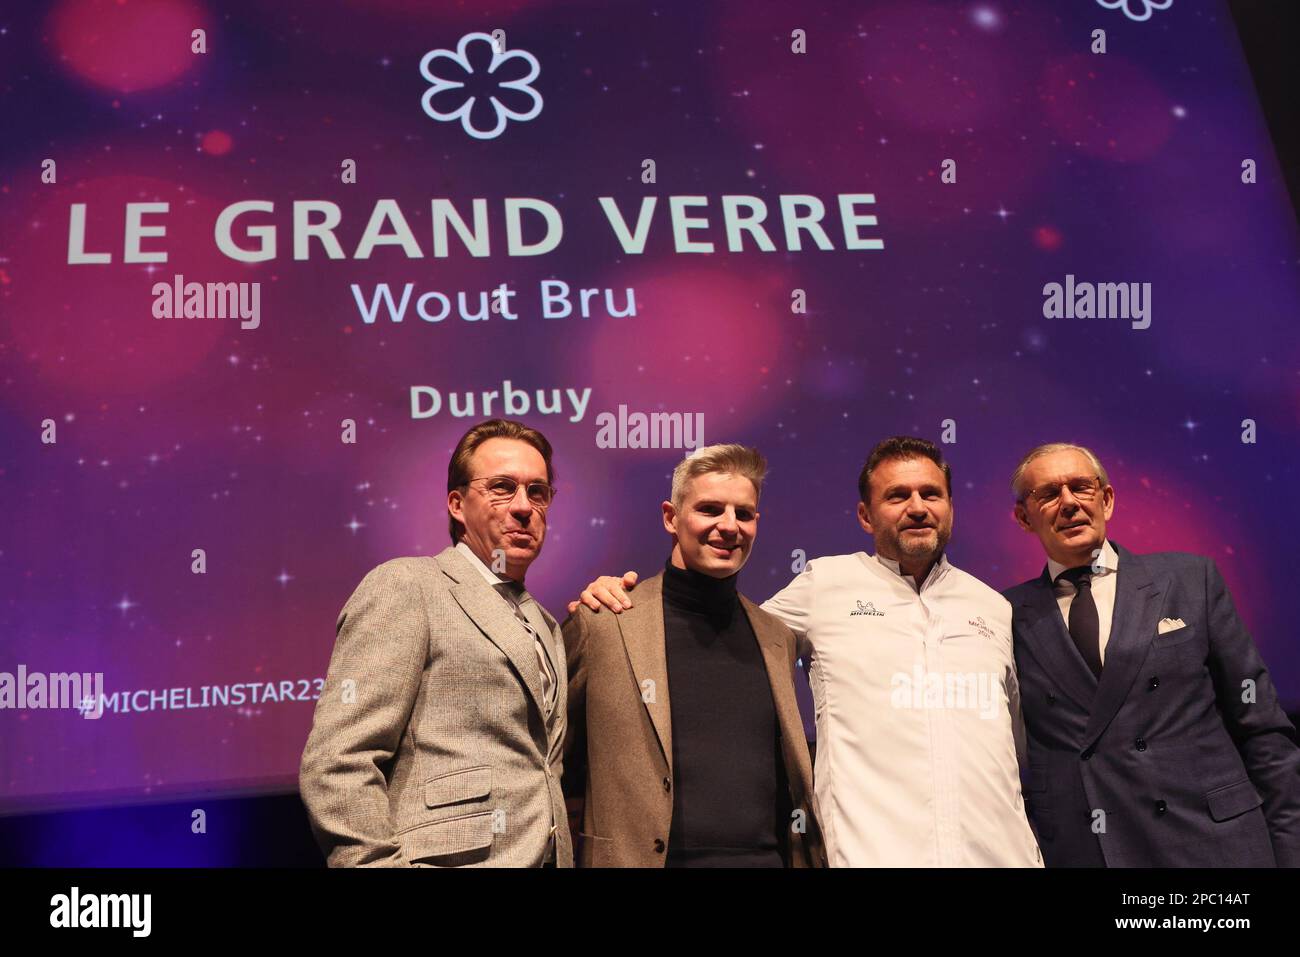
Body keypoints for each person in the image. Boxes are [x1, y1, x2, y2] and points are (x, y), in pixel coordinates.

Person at [573, 437, 1041, 867]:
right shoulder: (823, 587)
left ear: (951, 507)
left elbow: (1016, 746)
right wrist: (612, 596)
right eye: (897, 496)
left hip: (998, 855)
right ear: (865, 516)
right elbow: (719, 622)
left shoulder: (993, 608)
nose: (917, 508)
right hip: (870, 858)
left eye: (931, 494)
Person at [1006, 441, 1300, 866]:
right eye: (1048, 494)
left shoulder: (1189, 579)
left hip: (1212, 842)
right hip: (1093, 848)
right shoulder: (1006, 614)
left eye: (1081, 487)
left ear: (1106, 500)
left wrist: (1291, 852)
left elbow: (1263, 730)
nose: (1068, 502)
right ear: (1023, 518)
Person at [300, 419, 570, 867]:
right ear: (457, 504)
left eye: (537, 492)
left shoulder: (544, 623)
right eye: (502, 487)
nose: (524, 507)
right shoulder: (409, 585)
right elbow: (338, 760)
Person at [562, 445, 823, 867]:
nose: (728, 526)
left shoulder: (777, 637)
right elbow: (551, 760)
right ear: (671, 517)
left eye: (744, 513)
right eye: (710, 509)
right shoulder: (604, 621)